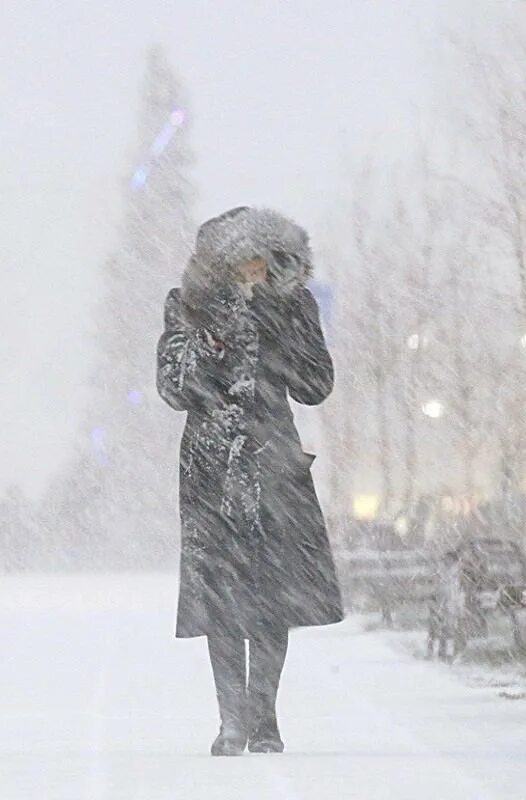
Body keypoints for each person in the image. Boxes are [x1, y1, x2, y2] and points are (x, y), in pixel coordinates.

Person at [156, 206, 343, 756]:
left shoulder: (294, 305)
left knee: (270, 596)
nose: (253, 270)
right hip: (211, 465)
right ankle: (230, 722)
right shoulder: (186, 307)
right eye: (242, 260)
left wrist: (283, 329)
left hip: (274, 462)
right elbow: (172, 388)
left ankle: (265, 719)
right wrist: (212, 342)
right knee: (220, 595)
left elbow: (316, 385)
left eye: (263, 260)